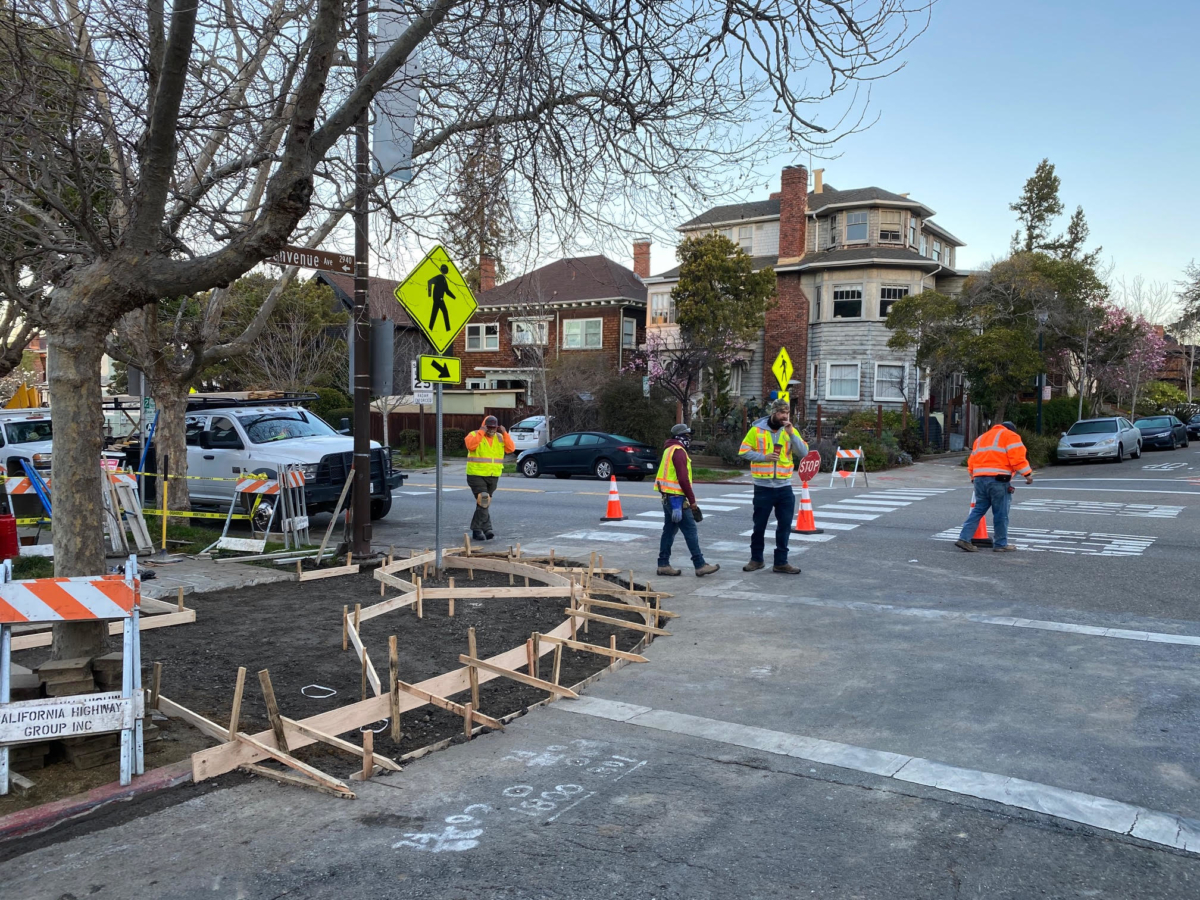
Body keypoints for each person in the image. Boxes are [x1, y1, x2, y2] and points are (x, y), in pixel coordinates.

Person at [738, 399, 808, 574]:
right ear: (773, 412)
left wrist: (792, 433)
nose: (784, 416)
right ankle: (756, 559)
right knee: (759, 526)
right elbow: (743, 451)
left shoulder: (790, 431)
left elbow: (804, 453)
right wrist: (764, 457)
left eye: (787, 413)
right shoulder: (757, 430)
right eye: (781, 413)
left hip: (784, 487)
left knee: (784, 526)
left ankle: (781, 562)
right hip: (763, 486)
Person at [955, 420, 1033, 553]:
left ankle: (964, 538)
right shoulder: (1010, 436)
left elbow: (972, 461)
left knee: (978, 510)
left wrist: (973, 477)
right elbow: (1017, 457)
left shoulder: (981, 438)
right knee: (1001, 513)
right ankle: (1000, 544)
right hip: (998, 479)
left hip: (979, 479)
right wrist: (1027, 474)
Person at [653, 423, 720, 578]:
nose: (690, 439)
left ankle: (663, 564)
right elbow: (683, 479)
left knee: (669, 531)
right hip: (677, 499)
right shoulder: (679, 451)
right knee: (690, 530)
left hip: (668, 497)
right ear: (681, 437)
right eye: (688, 436)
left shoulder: (669, 449)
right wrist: (692, 501)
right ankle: (700, 564)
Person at [464, 415, 514, 541]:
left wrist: (505, 433)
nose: (492, 430)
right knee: (484, 499)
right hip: (476, 474)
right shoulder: (474, 434)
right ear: (484, 426)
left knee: (483, 504)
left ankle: (478, 531)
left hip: (493, 476)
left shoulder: (500, 437)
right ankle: (486, 529)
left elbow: (510, 449)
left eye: (494, 427)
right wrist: (481, 431)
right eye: (489, 427)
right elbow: (471, 446)